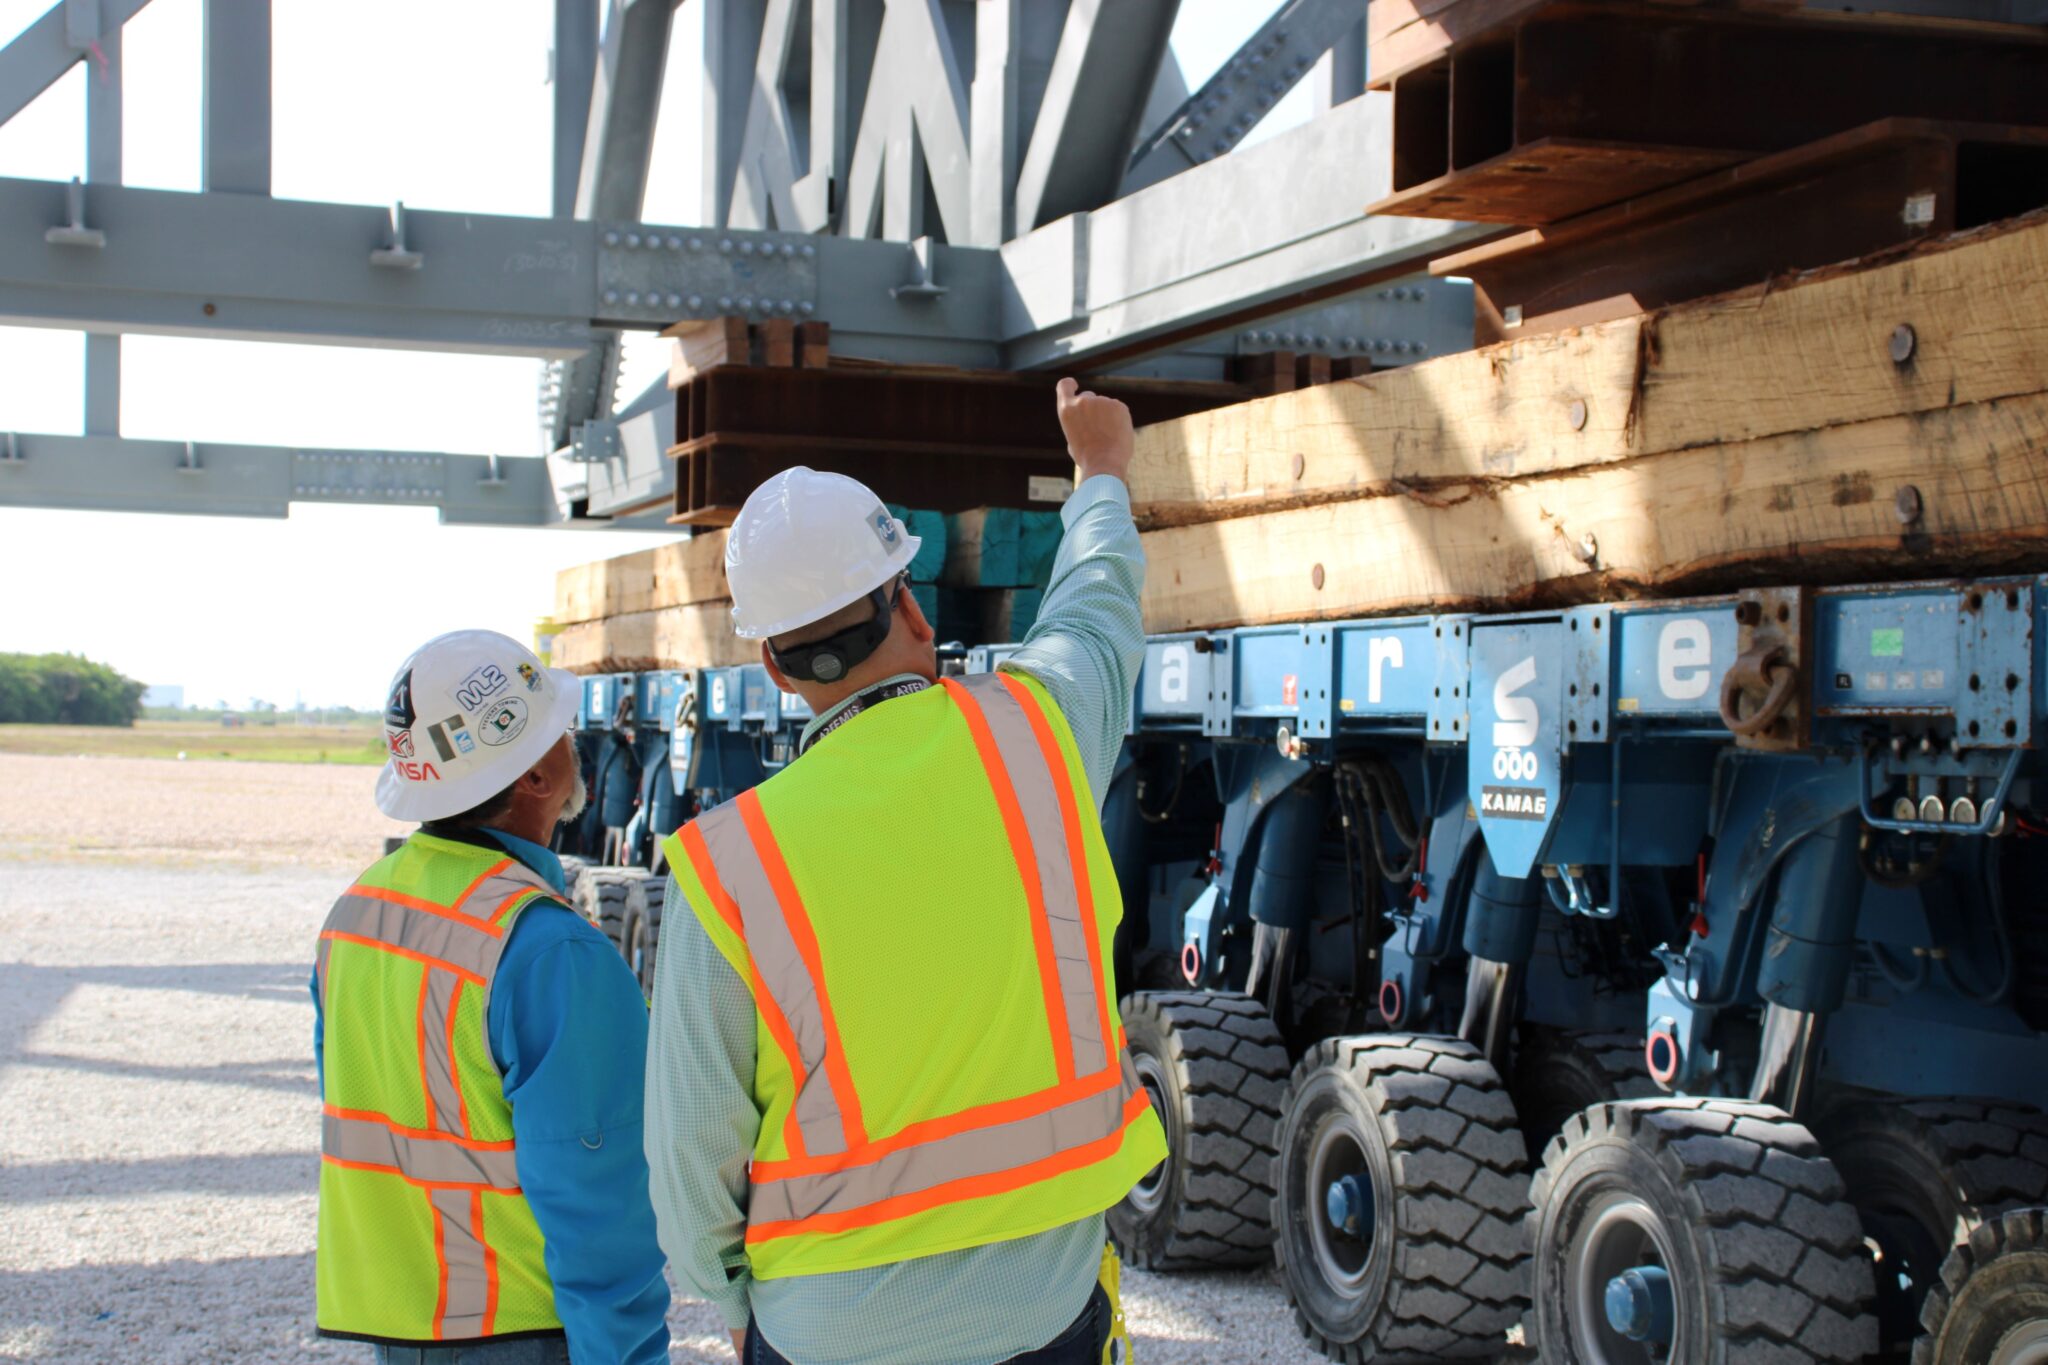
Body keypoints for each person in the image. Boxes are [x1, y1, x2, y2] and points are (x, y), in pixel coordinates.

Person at [645, 379, 1167, 1364]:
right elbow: (1096, 609)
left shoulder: (726, 866)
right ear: (913, 611)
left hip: (828, 1331)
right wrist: (1098, 468)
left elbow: (688, 1150)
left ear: (774, 667)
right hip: (1043, 1314)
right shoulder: (1038, 736)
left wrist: (738, 1301)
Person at [312, 630, 670, 1364]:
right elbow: (595, 1200)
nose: (575, 742)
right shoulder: (548, 949)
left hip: (401, 1318)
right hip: (519, 1326)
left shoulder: (356, 914)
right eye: (561, 730)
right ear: (537, 775)